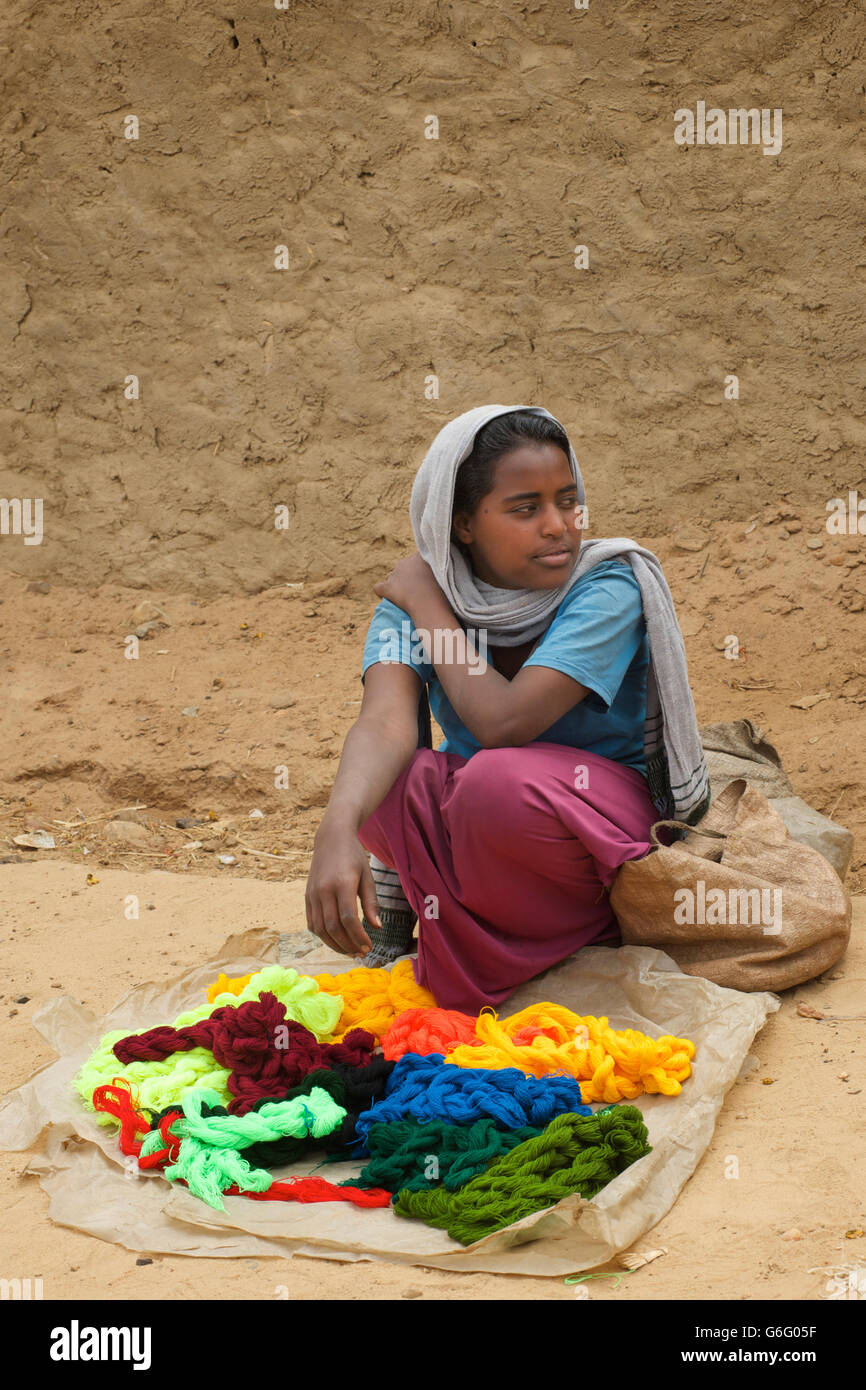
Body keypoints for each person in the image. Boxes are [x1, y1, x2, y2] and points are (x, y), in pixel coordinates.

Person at [304, 404, 709, 1013]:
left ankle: (540, 938)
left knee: (496, 782)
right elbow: (384, 722)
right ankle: (485, 936)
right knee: (380, 783)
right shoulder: (421, 599)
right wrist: (335, 827)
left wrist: (428, 607)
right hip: (478, 832)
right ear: (463, 524)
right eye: (526, 508)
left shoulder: (607, 584)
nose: (559, 526)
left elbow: (506, 722)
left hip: (592, 830)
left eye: (567, 502)